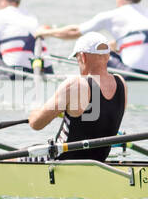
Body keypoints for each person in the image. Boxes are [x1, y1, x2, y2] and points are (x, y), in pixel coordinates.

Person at [36, 0, 148, 80]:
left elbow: (75, 32)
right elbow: (133, 40)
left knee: (94, 53)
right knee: (108, 49)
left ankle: (88, 91)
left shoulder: (112, 15)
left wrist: (45, 32)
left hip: (138, 75)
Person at [27, 32, 127, 161]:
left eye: (77, 59)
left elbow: (36, 124)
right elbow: (99, 119)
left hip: (61, 161)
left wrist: (34, 113)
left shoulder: (76, 84)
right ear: (107, 56)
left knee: (8, 160)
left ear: (82, 57)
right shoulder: (121, 83)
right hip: (98, 162)